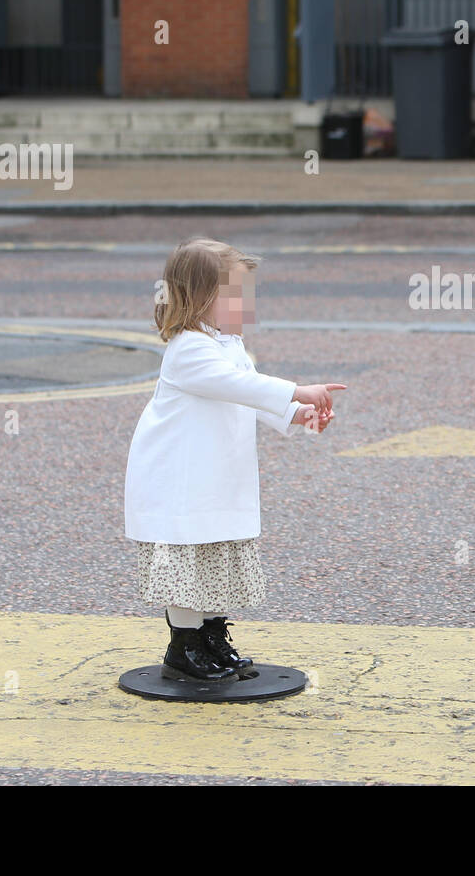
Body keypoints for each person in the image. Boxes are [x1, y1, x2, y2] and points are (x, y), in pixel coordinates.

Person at [124, 237, 347, 681]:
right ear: (202, 298)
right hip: (180, 483)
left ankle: (211, 637)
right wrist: (296, 390)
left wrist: (295, 414)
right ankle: (184, 647)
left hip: (217, 480)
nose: (246, 303)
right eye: (236, 294)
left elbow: (246, 394)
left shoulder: (229, 345)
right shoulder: (188, 349)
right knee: (187, 559)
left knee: (216, 558)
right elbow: (238, 386)